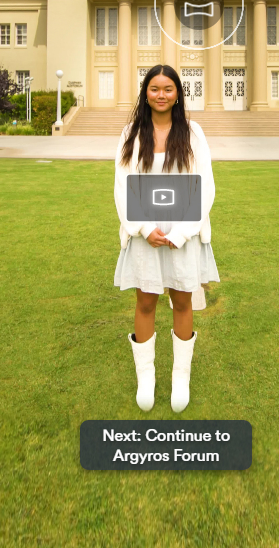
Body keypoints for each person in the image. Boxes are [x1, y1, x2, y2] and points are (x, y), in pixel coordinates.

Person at [113, 64, 218, 413]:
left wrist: (182, 232)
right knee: (145, 302)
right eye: (155, 88)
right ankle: (146, 378)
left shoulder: (192, 132)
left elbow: (206, 185)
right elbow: (121, 184)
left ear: (177, 94)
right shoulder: (132, 132)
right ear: (146, 92)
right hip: (146, 232)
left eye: (168, 88)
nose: (161, 94)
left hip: (182, 233)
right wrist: (143, 228)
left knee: (183, 301)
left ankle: (180, 377)